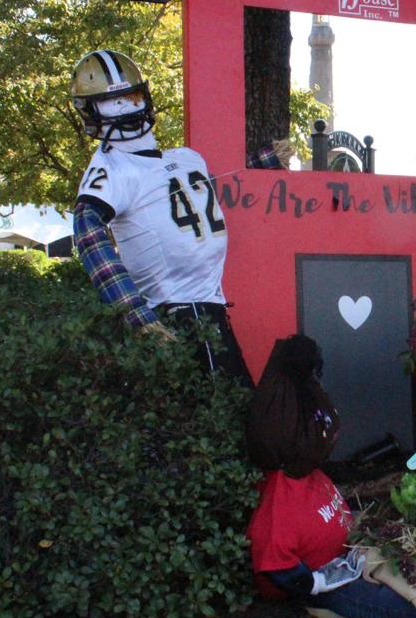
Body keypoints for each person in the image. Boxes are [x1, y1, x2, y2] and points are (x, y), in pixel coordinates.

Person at [70, 49, 288, 385]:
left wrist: (262, 162)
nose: (126, 108)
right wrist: (134, 311)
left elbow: (206, 190)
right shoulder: (111, 168)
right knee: (222, 418)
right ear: (91, 112)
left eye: (131, 97)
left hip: (210, 307)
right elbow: (87, 230)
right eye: (112, 103)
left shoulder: (186, 158)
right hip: (174, 312)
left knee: (234, 414)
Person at [246, 335, 416, 618]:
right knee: (410, 611)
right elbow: (274, 561)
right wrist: (314, 583)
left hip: (351, 558)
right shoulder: (281, 499)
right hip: (329, 582)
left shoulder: (309, 475)